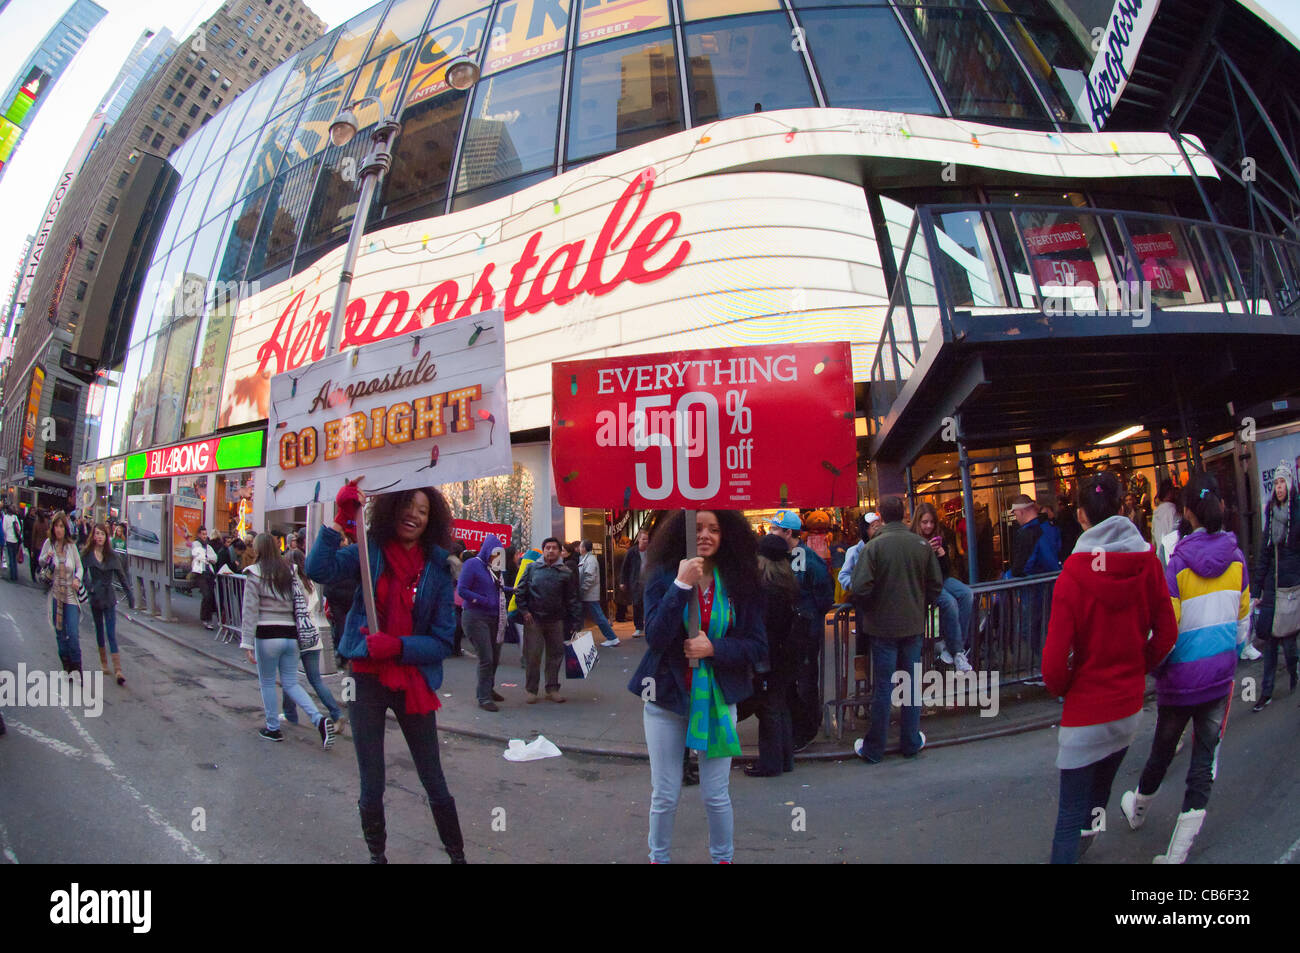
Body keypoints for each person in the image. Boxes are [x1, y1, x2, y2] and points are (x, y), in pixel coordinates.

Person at [306, 481, 466, 864]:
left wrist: (398, 646)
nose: (414, 514)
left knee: (434, 779)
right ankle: (377, 857)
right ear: (394, 509)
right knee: (371, 782)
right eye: (408, 506)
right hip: (365, 677)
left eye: (423, 510)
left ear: (432, 521)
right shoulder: (368, 551)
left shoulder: (439, 569)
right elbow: (318, 569)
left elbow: (443, 640)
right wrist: (340, 522)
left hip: (411, 680)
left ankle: (457, 856)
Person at [1042, 471, 1178, 863]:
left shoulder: (1072, 575)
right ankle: (1088, 838)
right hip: (1127, 708)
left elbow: (1052, 665)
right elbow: (1167, 634)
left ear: (1081, 516)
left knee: (1068, 816)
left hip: (1086, 711)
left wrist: (1066, 686)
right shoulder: (1149, 564)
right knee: (1095, 796)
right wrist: (1139, 664)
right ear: (1123, 508)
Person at [1119, 473, 1249, 863]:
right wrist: (1230, 653)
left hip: (1180, 680)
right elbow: (1243, 623)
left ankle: (1138, 808)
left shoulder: (1175, 565)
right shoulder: (1238, 560)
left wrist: (1154, 668)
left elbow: (1167, 631)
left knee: (1162, 749)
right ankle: (1177, 854)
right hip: (1218, 678)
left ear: (1187, 512)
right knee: (1203, 763)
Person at [627, 509, 766, 863]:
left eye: (714, 529)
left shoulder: (738, 580)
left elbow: (757, 646)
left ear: (726, 535)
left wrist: (715, 648)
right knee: (666, 794)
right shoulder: (662, 574)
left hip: (718, 700)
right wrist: (680, 585)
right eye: (698, 528)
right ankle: (659, 857)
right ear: (682, 533)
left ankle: (723, 857)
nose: (705, 535)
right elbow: (656, 637)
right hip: (666, 701)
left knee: (716, 793)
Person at [848, 497, 943, 763]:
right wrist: (919, 602)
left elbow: (860, 588)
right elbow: (936, 585)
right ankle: (910, 741)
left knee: (883, 688)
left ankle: (874, 747)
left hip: (882, 627)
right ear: (903, 514)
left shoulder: (874, 547)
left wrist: (873, 607)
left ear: (882, 515)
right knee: (911, 685)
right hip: (913, 624)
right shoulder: (921, 545)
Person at [240, 533, 335, 749]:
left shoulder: (254, 573)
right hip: (291, 635)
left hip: (266, 635)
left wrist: (246, 643)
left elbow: (250, 611)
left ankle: (273, 728)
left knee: (266, 682)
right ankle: (318, 719)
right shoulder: (289, 571)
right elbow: (299, 601)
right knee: (291, 683)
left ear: (258, 549)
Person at [768, 510, 834, 751]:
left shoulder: (807, 559)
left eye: (775, 529)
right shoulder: (781, 556)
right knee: (792, 680)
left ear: (788, 532)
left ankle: (806, 729)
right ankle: (798, 726)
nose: (770, 532)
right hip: (787, 630)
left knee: (805, 679)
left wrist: (808, 617)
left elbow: (824, 594)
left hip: (804, 630)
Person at [746, 533, 798, 777]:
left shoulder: (764, 589)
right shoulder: (788, 584)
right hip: (787, 655)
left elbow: (762, 627)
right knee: (781, 706)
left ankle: (771, 763)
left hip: (769, 657)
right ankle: (785, 758)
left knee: (768, 710)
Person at [1251, 459, 1300, 708]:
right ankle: (1265, 692)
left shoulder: (1298, 514)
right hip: (1272, 587)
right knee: (1270, 641)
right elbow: (1264, 553)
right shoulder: (1271, 513)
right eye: (1277, 483)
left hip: (1291, 587)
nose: (1279, 487)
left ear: (1290, 485)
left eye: (1283, 482)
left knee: (1289, 643)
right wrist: (1257, 588)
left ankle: (1293, 672)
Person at [515, 537, 582, 703]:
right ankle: (531, 690)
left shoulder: (566, 572)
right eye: (547, 548)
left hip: (556, 620)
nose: (550, 551)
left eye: (554, 548)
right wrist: (524, 611)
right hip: (534, 619)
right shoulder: (532, 568)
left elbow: (572, 598)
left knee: (555, 655)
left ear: (560, 552)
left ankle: (552, 688)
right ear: (543, 550)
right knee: (533, 655)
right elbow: (520, 591)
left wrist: (575, 621)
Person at [281, 560, 345, 734]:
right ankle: (336, 712)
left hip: (297, 634)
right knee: (315, 679)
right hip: (313, 634)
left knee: (289, 678)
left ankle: (290, 713)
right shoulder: (310, 584)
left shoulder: (292, 585)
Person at [912, 502, 974, 672]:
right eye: (925, 522)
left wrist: (942, 554)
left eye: (931, 522)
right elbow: (915, 570)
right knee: (950, 602)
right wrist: (926, 552)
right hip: (925, 583)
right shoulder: (912, 539)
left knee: (967, 594)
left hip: (942, 578)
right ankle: (958, 651)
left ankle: (951, 646)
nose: (928, 526)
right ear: (918, 521)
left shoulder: (940, 536)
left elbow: (946, 569)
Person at [457, 534, 511, 711]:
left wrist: (512, 590)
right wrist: (483, 600)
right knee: (486, 657)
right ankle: (483, 697)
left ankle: (489, 688)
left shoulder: (494, 569)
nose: (497, 557)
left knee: (494, 657)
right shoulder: (473, 564)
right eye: (495, 553)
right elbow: (462, 590)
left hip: (494, 617)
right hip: (475, 616)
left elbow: (496, 588)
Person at [82, 522, 135, 686]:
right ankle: (104, 662)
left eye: (102, 534)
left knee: (111, 632)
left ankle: (118, 669)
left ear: (107, 537)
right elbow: (83, 574)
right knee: (99, 630)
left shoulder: (112, 556)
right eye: (97, 534)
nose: (99, 537)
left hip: (109, 597)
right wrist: (89, 587)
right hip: (95, 597)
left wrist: (130, 594)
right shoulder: (87, 554)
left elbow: (121, 576)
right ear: (93, 535)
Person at [40, 512, 85, 675]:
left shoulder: (71, 546)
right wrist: (47, 556)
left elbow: (80, 567)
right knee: (60, 632)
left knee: (73, 633)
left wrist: (77, 579)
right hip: (56, 595)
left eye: (61, 526)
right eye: (56, 526)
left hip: (71, 595)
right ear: (52, 528)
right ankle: (66, 663)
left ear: (65, 529)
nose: (58, 530)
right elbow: (41, 562)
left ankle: (76, 665)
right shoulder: (49, 544)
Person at [579, 540, 620, 648]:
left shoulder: (590, 560)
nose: (579, 548)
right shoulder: (587, 559)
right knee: (591, 616)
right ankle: (611, 638)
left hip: (589, 594)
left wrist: (582, 589)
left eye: (580, 546)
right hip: (588, 594)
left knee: (598, 616)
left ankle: (612, 637)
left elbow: (589, 577)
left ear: (583, 548)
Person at [620, 529, 651, 637]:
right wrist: (623, 581)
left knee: (649, 604)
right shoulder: (632, 552)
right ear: (638, 539)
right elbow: (625, 567)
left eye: (647, 539)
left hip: (649, 581)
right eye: (643, 539)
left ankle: (649, 626)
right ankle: (638, 627)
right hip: (636, 582)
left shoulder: (651, 551)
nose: (645, 541)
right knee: (637, 604)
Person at [189, 527, 218, 630]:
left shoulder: (208, 546)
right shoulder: (196, 544)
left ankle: (207, 618)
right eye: (203, 534)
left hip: (209, 573)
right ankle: (206, 619)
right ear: (198, 535)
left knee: (210, 596)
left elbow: (215, 558)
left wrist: (207, 558)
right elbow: (199, 556)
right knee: (207, 595)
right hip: (200, 573)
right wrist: (207, 558)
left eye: (206, 534)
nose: (205, 536)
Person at [1152, 479, 1180, 563]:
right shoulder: (1173, 510)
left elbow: (1154, 538)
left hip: (1160, 554)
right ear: (1169, 493)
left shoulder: (1156, 513)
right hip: (1172, 554)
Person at [28, 509, 48, 583]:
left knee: (34, 562)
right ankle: (39, 571)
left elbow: (33, 536)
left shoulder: (36, 524)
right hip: (43, 545)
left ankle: (33, 576)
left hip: (37, 545)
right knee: (41, 562)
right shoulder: (46, 523)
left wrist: (32, 549)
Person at [2, 505, 21, 581]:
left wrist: (5, 537)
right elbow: (19, 528)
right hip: (15, 540)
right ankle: (15, 575)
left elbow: (4, 529)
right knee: (14, 557)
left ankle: (12, 576)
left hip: (9, 540)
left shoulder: (6, 517)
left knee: (11, 557)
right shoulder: (15, 517)